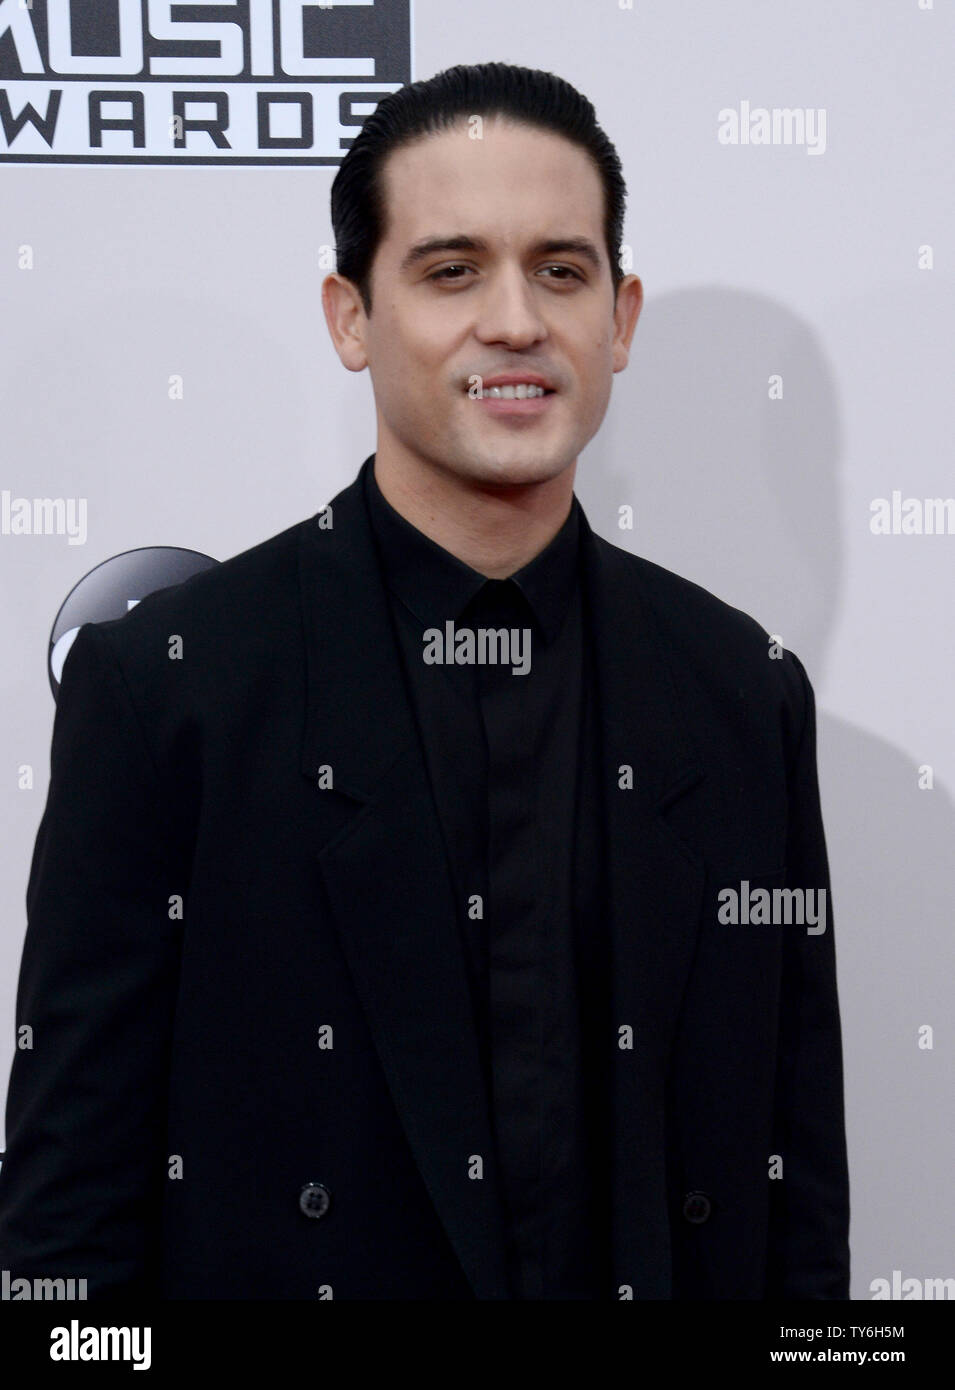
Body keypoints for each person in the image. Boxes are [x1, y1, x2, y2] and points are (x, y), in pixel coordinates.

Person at [0, 62, 849, 1300]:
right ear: (352, 318)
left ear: (619, 318)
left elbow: (793, 1185)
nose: (515, 322)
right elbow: (66, 1217)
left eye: (561, 270)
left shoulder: (737, 691)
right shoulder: (169, 689)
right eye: (452, 271)